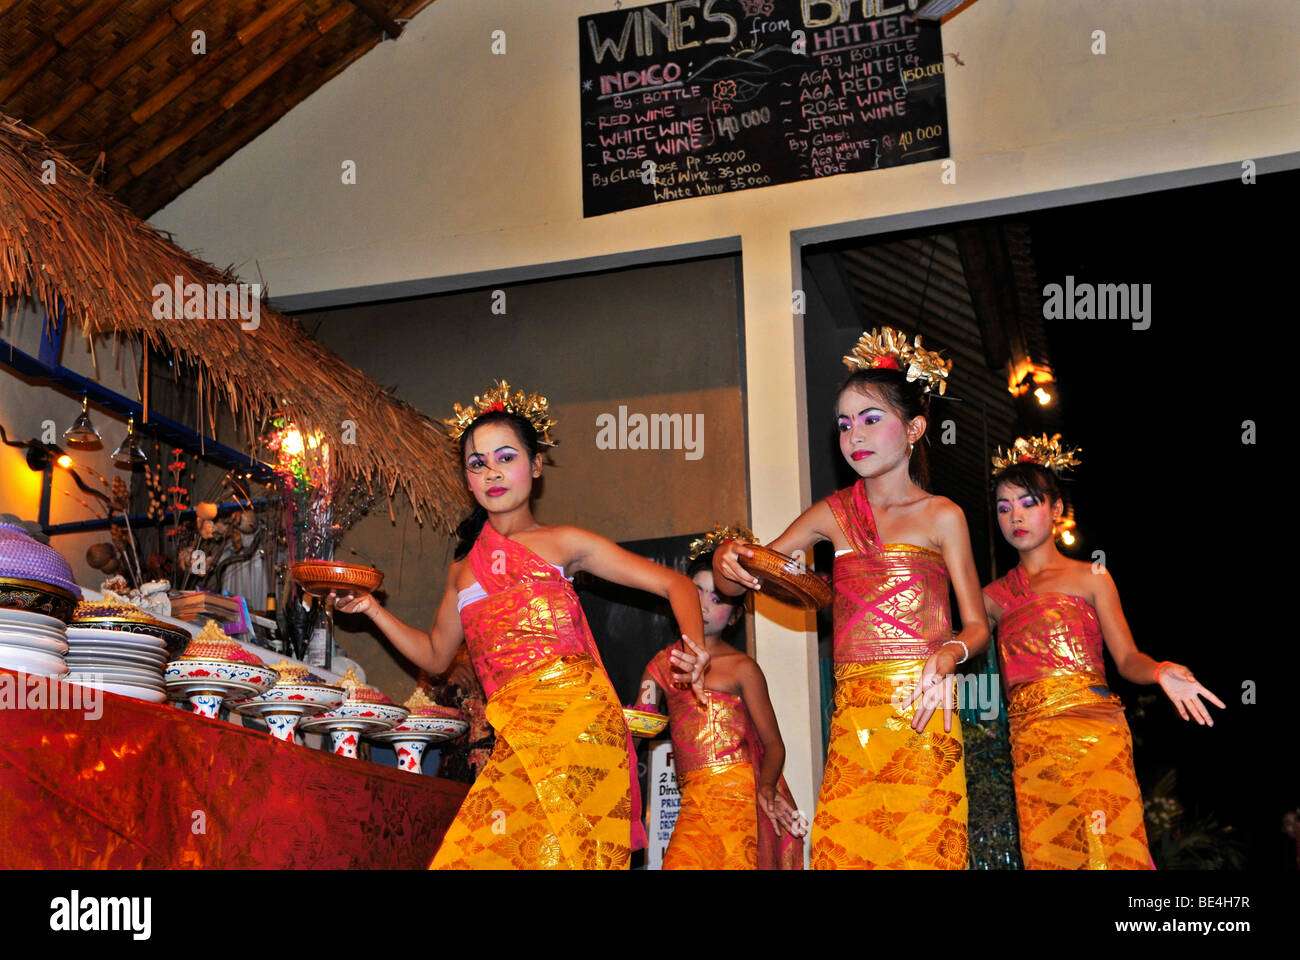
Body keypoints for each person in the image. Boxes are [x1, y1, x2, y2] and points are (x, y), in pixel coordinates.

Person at [332, 381, 708, 869]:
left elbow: (675, 586)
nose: (491, 472)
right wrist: (371, 610)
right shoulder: (462, 570)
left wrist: (694, 651)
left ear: (534, 466)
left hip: (579, 728)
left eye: (505, 457)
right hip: (516, 736)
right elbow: (435, 656)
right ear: (467, 480)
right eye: (477, 463)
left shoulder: (564, 541)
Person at [714, 328, 988, 869]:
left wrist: (948, 655)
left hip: (923, 711)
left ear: (913, 429)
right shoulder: (831, 515)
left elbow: (977, 626)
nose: (853, 435)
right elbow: (742, 579)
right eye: (844, 424)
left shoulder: (942, 515)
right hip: (854, 722)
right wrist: (728, 557)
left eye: (870, 419)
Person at [983, 434, 1223, 869]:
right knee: (1053, 857)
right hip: (1032, 743)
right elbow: (951, 638)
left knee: (1110, 854)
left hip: (1096, 732)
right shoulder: (992, 598)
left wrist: (1161, 669)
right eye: (1004, 507)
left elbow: (1128, 659)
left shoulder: (1092, 576)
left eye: (1028, 503)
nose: (1015, 516)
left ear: (1055, 509)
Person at [638, 531, 806, 869]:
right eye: (696, 591)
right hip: (693, 802)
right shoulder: (660, 665)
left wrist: (768, 787)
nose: (702, 604)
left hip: (741, 800)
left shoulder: (743, 669)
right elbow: (640, 720)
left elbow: (774, 745)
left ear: (734, 617)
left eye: (716, 599)